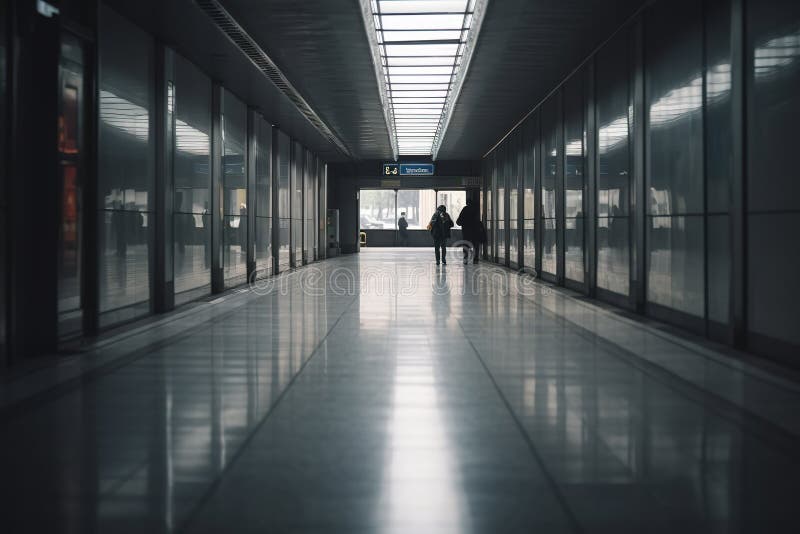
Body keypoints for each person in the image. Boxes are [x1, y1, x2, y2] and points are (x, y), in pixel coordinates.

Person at [456, 198, 483, 264]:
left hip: (466, 230)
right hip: (475, 230)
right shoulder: (476, 210)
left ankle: (466, 258)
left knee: (466, 244)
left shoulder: (465, 209)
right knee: (475, 244)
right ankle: (475, 258)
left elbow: (459, 220)